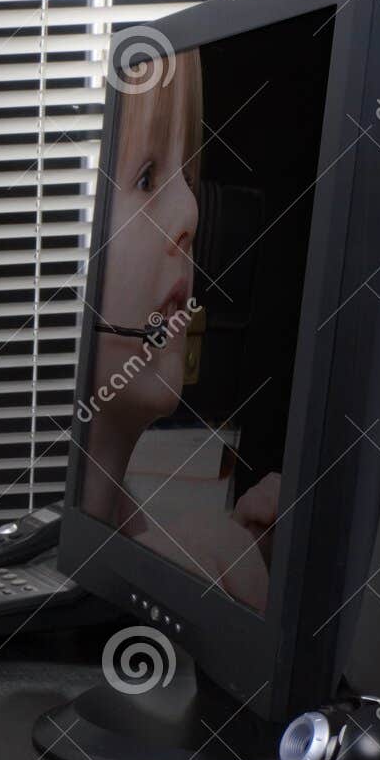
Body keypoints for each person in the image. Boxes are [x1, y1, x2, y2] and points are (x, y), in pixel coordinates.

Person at [81, 49, 276, 609]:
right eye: (146, 177)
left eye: (187, 174)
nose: (190, 208)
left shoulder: (121, 523)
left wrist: (233, 548)